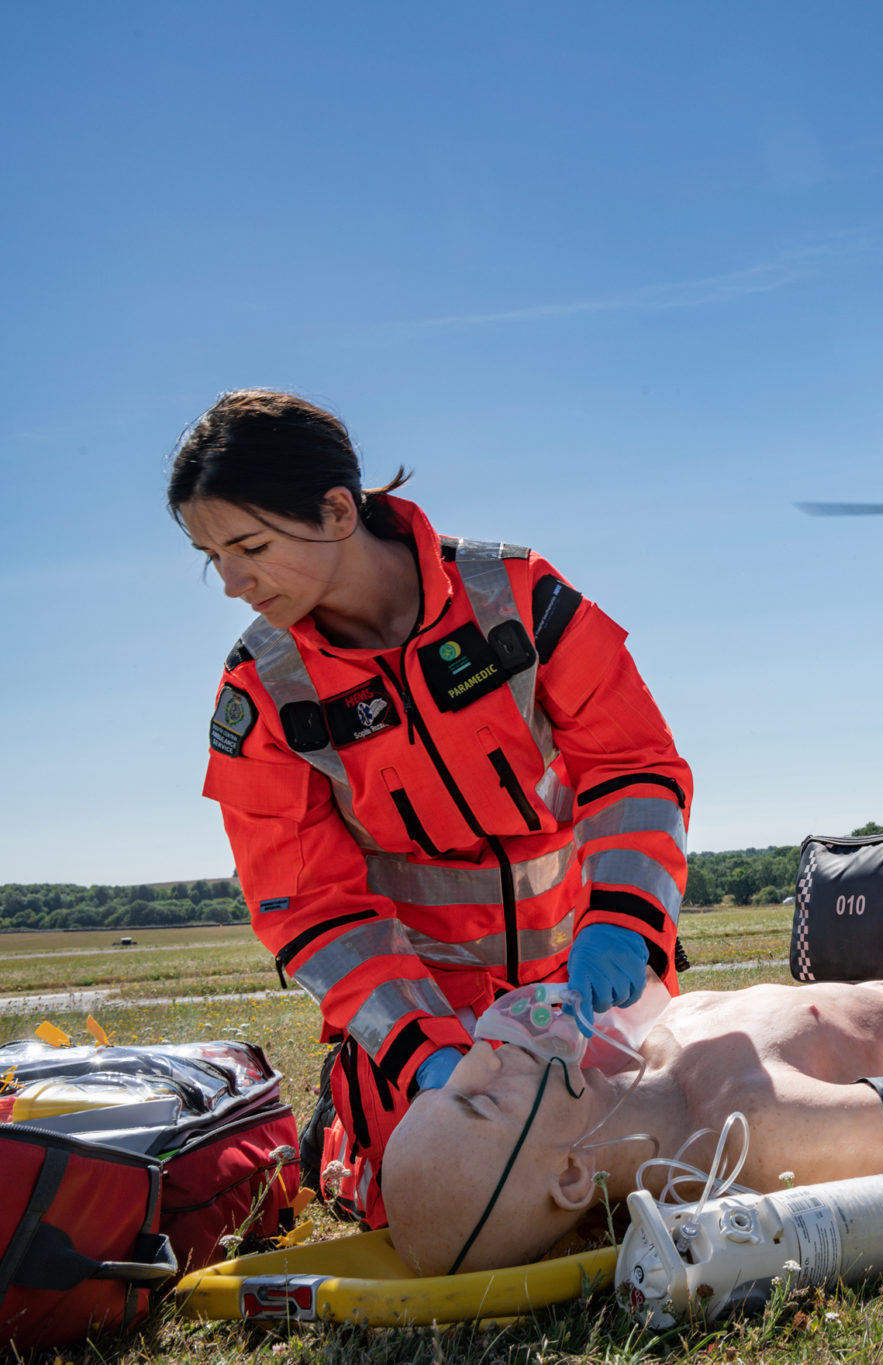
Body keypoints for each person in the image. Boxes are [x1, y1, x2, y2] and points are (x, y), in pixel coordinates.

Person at [173, 390, 694, 1227]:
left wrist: (626, 923)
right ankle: (348, 1135)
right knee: (435, 1206)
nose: (233, 584)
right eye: (212, 558)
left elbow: (633, 765)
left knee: (657, 1170)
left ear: (338, 509)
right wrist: (422, 1050)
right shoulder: (263, 693)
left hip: (593, 979)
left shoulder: (517, 599)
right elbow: (304, 903)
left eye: (251, 547)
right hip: (428, 1019)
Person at [380, 980, 883, 1274]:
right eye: (483, 1100)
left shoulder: (632, 1065)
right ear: (569, 1178)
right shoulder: (760, 1128)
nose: (486, 1060)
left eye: (459, 1080)